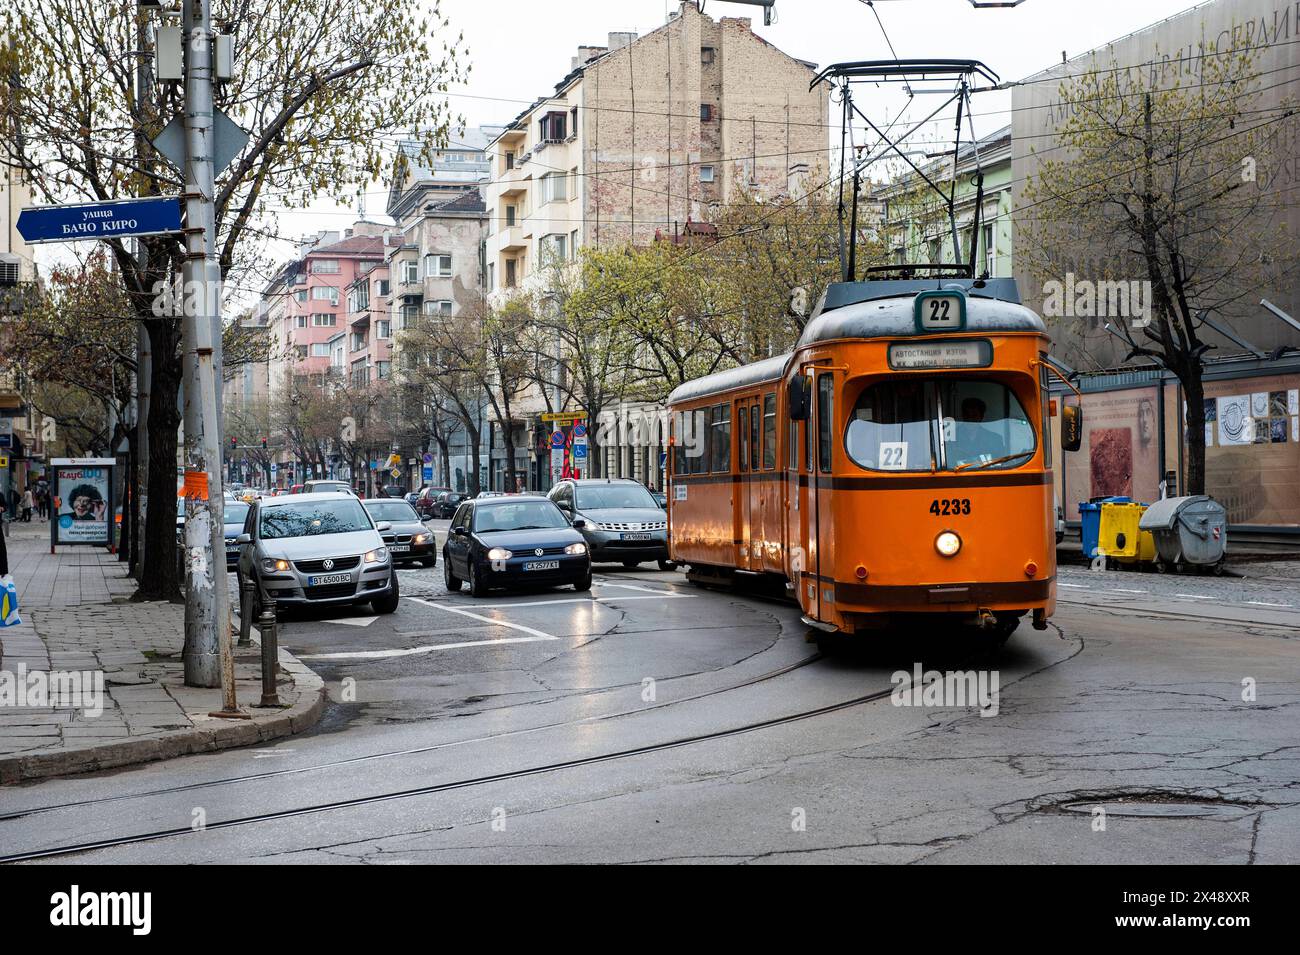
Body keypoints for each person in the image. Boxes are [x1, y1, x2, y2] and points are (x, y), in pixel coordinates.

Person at [948, 396, 1005, 466]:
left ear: (981, 417)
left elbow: (1000, 466)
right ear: (962, 416)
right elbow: (947, 465)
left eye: (974, 415)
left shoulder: (995, 439)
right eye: (967, 415)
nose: (970, 419)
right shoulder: (951, 438)